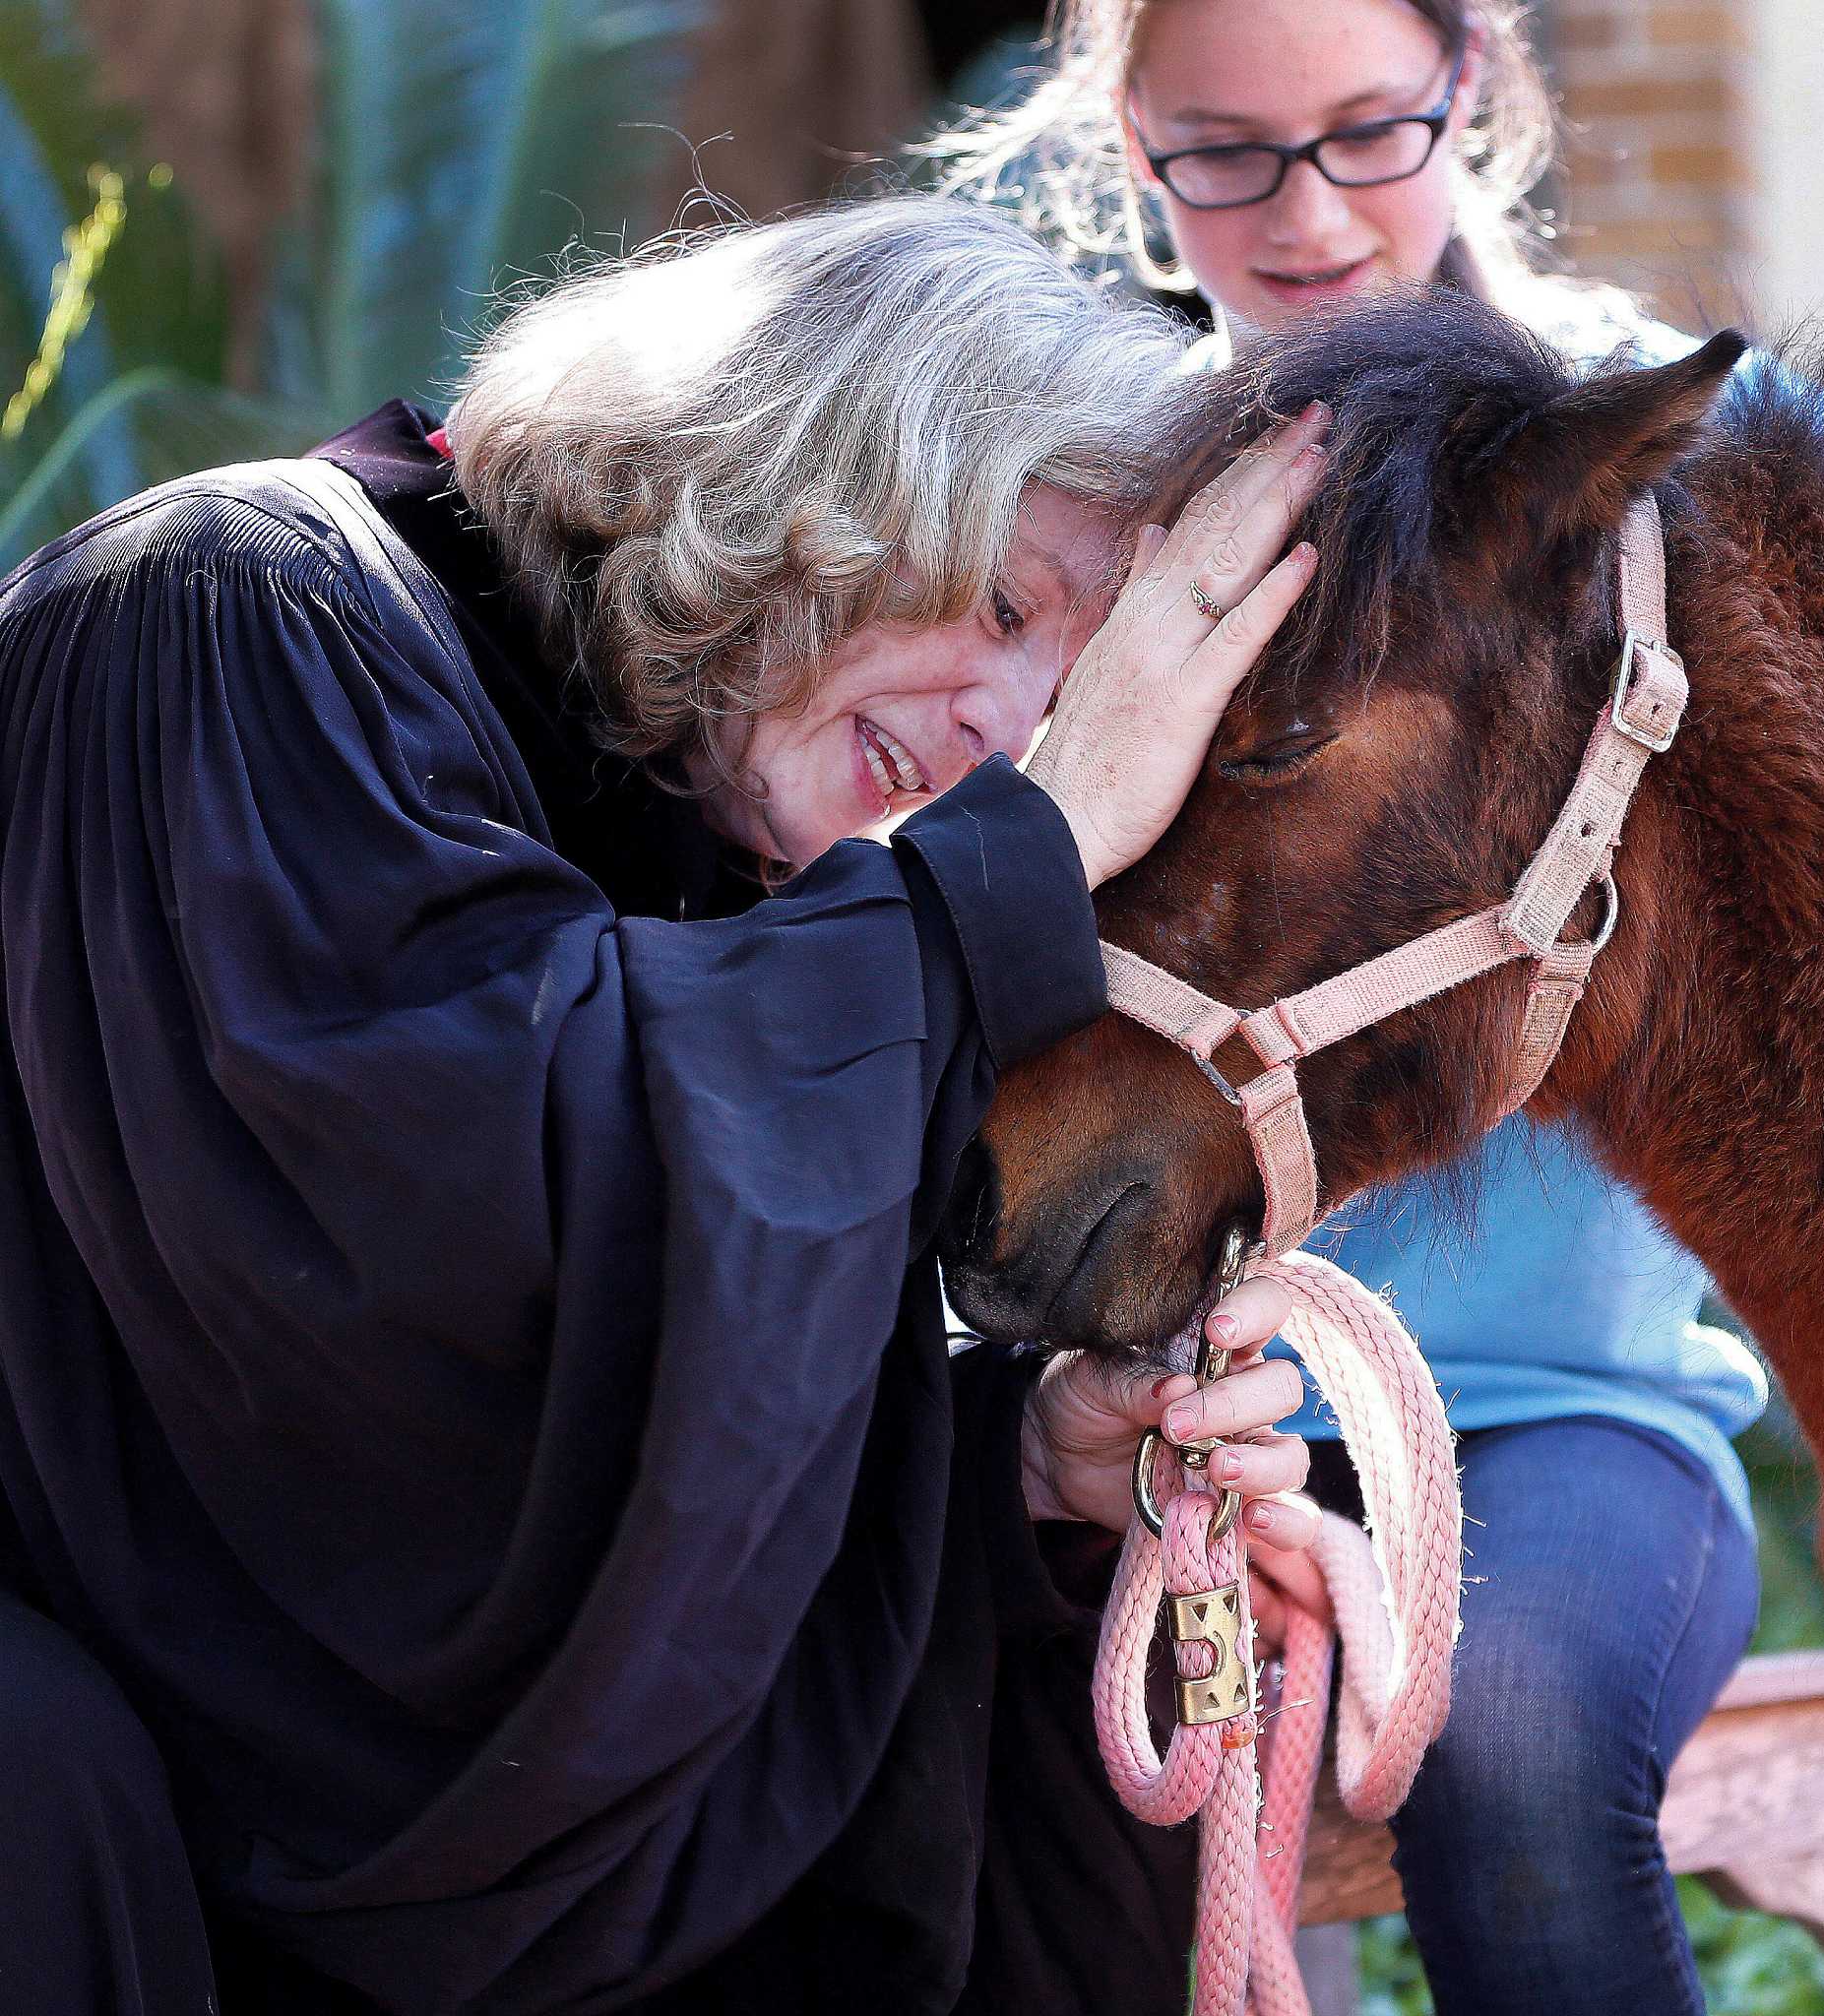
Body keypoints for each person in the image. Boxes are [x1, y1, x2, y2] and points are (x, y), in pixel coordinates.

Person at [0, 195, 1336, 2015]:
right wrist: (1018, 864)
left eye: (1074, 716)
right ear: (816, 465)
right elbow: (442, 1258)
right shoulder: (229, 611)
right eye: (1009, 599)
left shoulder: (740, 880)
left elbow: (628, 1436)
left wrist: (1001, 1475)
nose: (998, 751)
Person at [942, 7, 1770, 2011]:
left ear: (1470, 85)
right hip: (1150, 1389)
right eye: (1220, 151)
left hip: (1556, 1420)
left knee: (1504, 1737)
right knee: (930, 1737)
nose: (1302, 216)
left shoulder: (1658, 459)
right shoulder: (1073, 508)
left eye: (1362, 134)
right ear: (1122, 137)